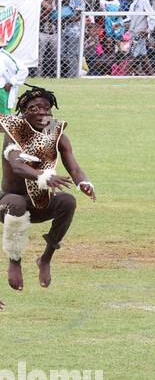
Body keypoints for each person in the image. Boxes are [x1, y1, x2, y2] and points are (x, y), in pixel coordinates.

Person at [0, 86, 95, 294]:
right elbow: (17, 165)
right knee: (16, 202)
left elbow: (74, 167)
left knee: (68, 201)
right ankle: (14, 261)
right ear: (24, 112)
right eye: (35, 109)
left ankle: (45, 258)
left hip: (40, 202)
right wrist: (43, 176)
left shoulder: (56, 133)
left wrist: (84, 183)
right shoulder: (15, 132)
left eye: (46, 109)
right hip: (9, 203)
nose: (42, 113)